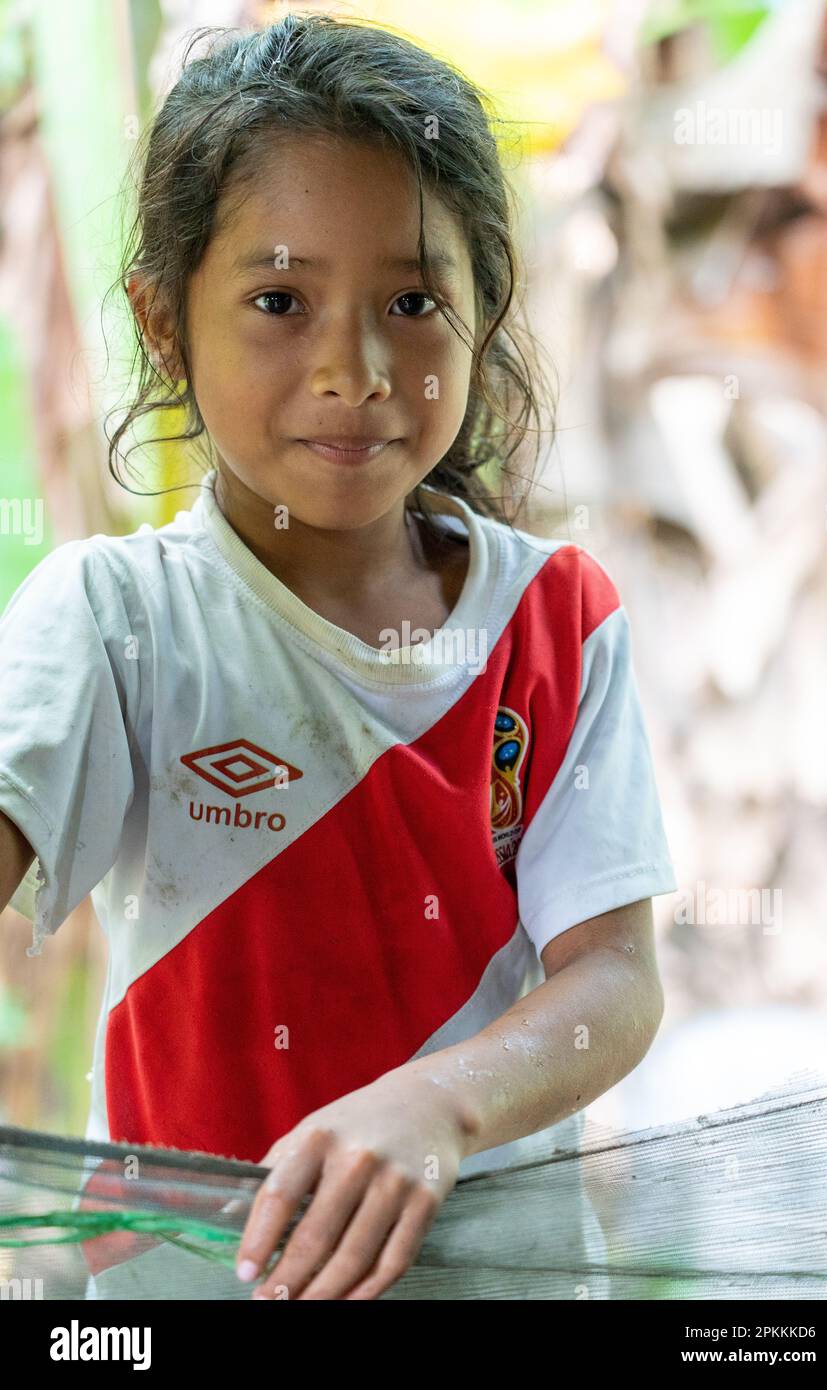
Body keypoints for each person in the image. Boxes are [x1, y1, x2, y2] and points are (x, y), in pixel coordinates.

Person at [0, 13, 676, 1301]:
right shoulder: (116, 620)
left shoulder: (559, 621)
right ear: (162, 322)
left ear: (486, 313)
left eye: (413, 302)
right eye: (278, 300)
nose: (355, 369)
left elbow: (616, 979)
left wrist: (442, 1105)